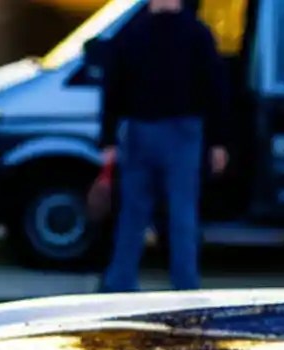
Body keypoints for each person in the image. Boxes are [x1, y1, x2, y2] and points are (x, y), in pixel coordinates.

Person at [98, 0, 231, 292]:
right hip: (177, 132)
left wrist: (108, 138)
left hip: (146, 130)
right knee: (178, 214)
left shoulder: (133, 32)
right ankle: (184, 287)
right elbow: (215, 89)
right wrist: (219, 141)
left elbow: (113, 88)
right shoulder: (196, 33)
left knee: (138, 213)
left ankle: (121, 284)